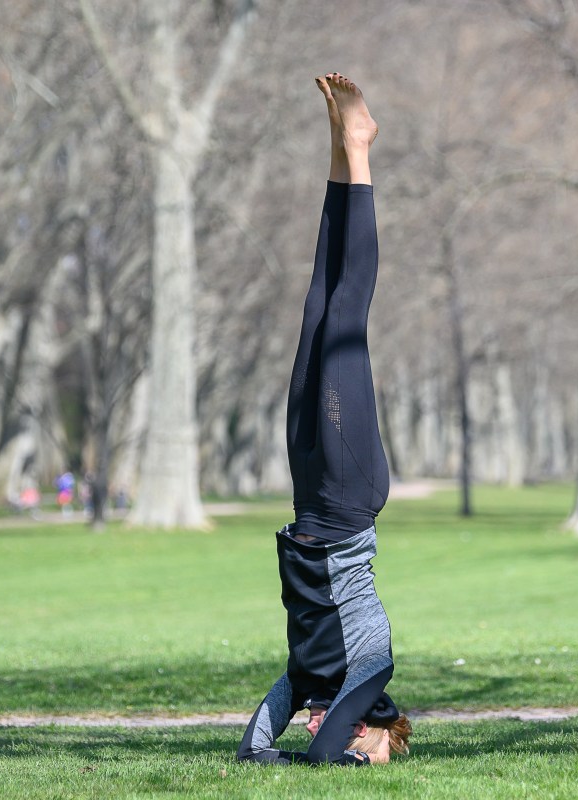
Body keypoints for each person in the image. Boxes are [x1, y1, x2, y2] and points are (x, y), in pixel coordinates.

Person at [236, 73, 411, 767]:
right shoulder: (372, 672)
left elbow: (253, 750)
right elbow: (319, 759)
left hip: (309, 494)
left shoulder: (308, 679)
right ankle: (361, 147)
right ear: (374, 724)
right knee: (345, 318)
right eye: (366, 747)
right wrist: (351, 755)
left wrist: (280, 743)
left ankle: (339, 146)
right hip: (348, 501)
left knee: (316, 304)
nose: (331, 737)